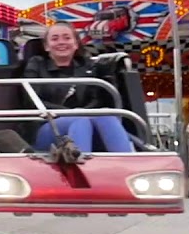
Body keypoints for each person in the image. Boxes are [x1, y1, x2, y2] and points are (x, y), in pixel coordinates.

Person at [22, 22, 134, 153]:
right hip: (47, 124)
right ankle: (81, 167)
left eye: (67, 38)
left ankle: (127, 165)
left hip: (84, 118)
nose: (61, 42)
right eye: (55, 39)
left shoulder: (87, 66)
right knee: (80, 121)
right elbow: (32, 100)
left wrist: (83, 111)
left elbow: (96, 100)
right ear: (46, 46)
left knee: (107, 117)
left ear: (75, 44)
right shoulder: (36, 64)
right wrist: (72, 112)